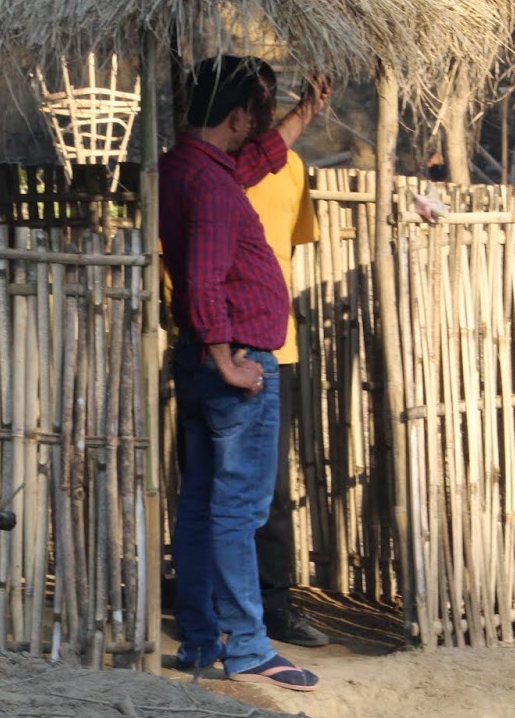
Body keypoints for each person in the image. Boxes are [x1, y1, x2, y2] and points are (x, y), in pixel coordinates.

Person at [160, 54, 326, 692]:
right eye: (253, 119)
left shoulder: (193, 165)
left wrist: (303, 113)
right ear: (234, 117)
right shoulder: (208, 185)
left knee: (202, 506)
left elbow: (258, 159)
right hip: (234, 362)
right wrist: (229, 357)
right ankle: (250, 648)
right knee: (238, 510)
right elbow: (202, 279)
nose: (258, 132)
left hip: (205, 360)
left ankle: (202, 641)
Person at [244, 105, 328, 649]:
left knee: (271, 490)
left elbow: (286, 249)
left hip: (278, 345)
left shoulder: (292, 168)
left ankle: (274, 605)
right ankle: (219, 606)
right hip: (218, 343)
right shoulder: (205, 170)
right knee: (215, 487)